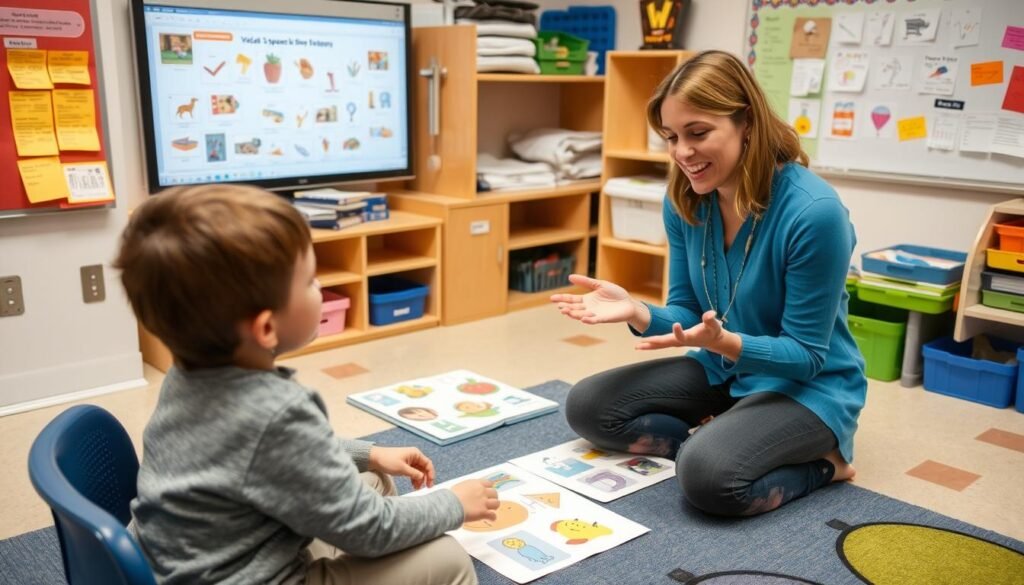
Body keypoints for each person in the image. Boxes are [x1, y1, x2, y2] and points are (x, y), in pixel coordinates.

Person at [115, 185, 499, 585]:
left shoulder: (188, 373)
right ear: (266, 327)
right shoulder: (277, 413)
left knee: (372, 478)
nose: (321, 289)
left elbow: (268, 458)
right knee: (448, 558)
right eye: (311, 281)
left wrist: (368, 454)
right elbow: (370, 529)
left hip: (198, 559)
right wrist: (454, 504)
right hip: (248, 576)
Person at [551, 50, 866, 517]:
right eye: (672, 137)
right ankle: (724, 434)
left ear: (748, 124)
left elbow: (807, 355)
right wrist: (638, 311)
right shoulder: (686, 200)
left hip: (811, 386)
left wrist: (728, 342)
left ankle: (826, 464)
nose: (682, 153)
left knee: (708, 479)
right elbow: (684, 311)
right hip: (726, 367)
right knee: (587, 406)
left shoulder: (814, 213)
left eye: (698, 133)